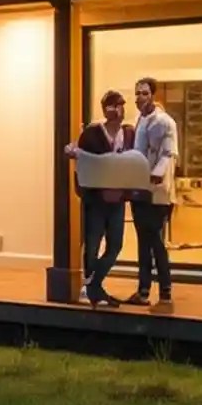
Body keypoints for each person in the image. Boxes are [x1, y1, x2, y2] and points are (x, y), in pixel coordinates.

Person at [64, 90, 135, 309]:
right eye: (112, 105)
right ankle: (89, 288)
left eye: (120, 105)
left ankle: (94, 283)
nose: (117, 109)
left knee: (115, 244)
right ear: (105, 109)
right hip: (95, 200)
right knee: (92, 244)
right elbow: (81, 164)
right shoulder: (93, 133)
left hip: (117, 200)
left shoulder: (129, 134)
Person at [126, 76, 179, 309]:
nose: (140, 98)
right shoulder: (140, 121)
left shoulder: (164, 122)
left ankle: (165, 289)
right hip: (140, 189)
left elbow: (169, 153)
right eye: (137, 93)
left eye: (144, 93)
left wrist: (156, 174)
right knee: (143, 241)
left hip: (157, 192)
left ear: (153, 95)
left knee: (156, 241)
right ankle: (144, 289)